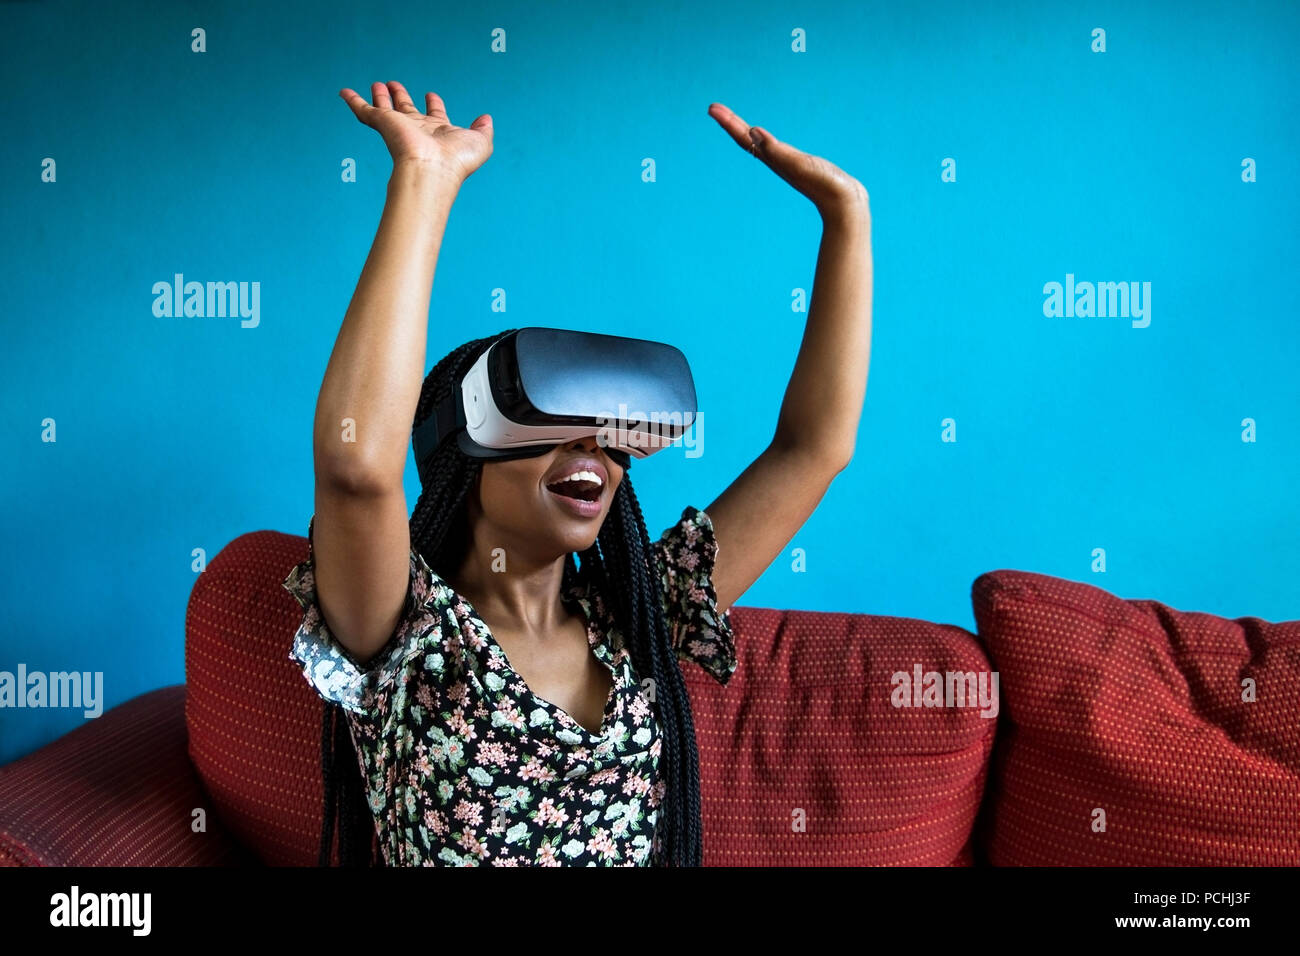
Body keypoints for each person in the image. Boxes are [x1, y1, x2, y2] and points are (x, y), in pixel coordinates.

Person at [282, 81, 873, 866]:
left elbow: (814, 449)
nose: (592, 452)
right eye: (552, 427)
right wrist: (424, 178)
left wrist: (846, 217)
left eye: (613, 437)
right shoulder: (405, 637)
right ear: (469, 448)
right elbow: (357, 467)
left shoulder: (636, 621)